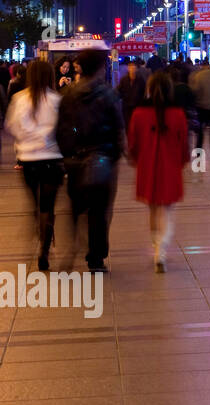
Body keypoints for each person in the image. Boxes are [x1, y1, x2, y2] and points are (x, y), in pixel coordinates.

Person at [55, 49, 124, 273]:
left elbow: (62, 130)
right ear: (100, 68)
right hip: (102, 160)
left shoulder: (69, 94)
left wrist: (68, 154)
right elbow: (117, 129)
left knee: (75, 207)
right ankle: (95, 258)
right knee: (99, 211)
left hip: (75, 160)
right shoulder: (108, 95)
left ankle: (71, 246)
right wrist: (116, 154)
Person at [128, 71, 189, 272]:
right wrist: (181, 162)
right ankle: (161, 251)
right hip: (170, 168)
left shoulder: (138, 113)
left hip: (147, 168)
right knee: (167, 212)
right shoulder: (178, 114)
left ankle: (156, 247)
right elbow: (183, 146)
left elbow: (133, 145)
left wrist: (137, 160)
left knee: (153, 210)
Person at [5, 59, 63, 271]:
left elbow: (11, 126)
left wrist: (25, 139)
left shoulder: (20, 99)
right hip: (51, 158)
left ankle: (40, 231)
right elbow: (63, 130)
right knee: (48, 205)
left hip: (28, 160)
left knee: (35, 204)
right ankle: (44, 248)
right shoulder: (56, 100)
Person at [116, 58, 148, 129]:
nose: (132, 69)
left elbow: (144, 92)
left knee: (137, 125)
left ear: (136, 69)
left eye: (134, 67)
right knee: (127, 124)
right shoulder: (124, 80)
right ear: (128, 68)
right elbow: (119, 91)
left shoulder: (140, 80)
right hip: (126, 106)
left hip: (137, 106)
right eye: (130, 67)